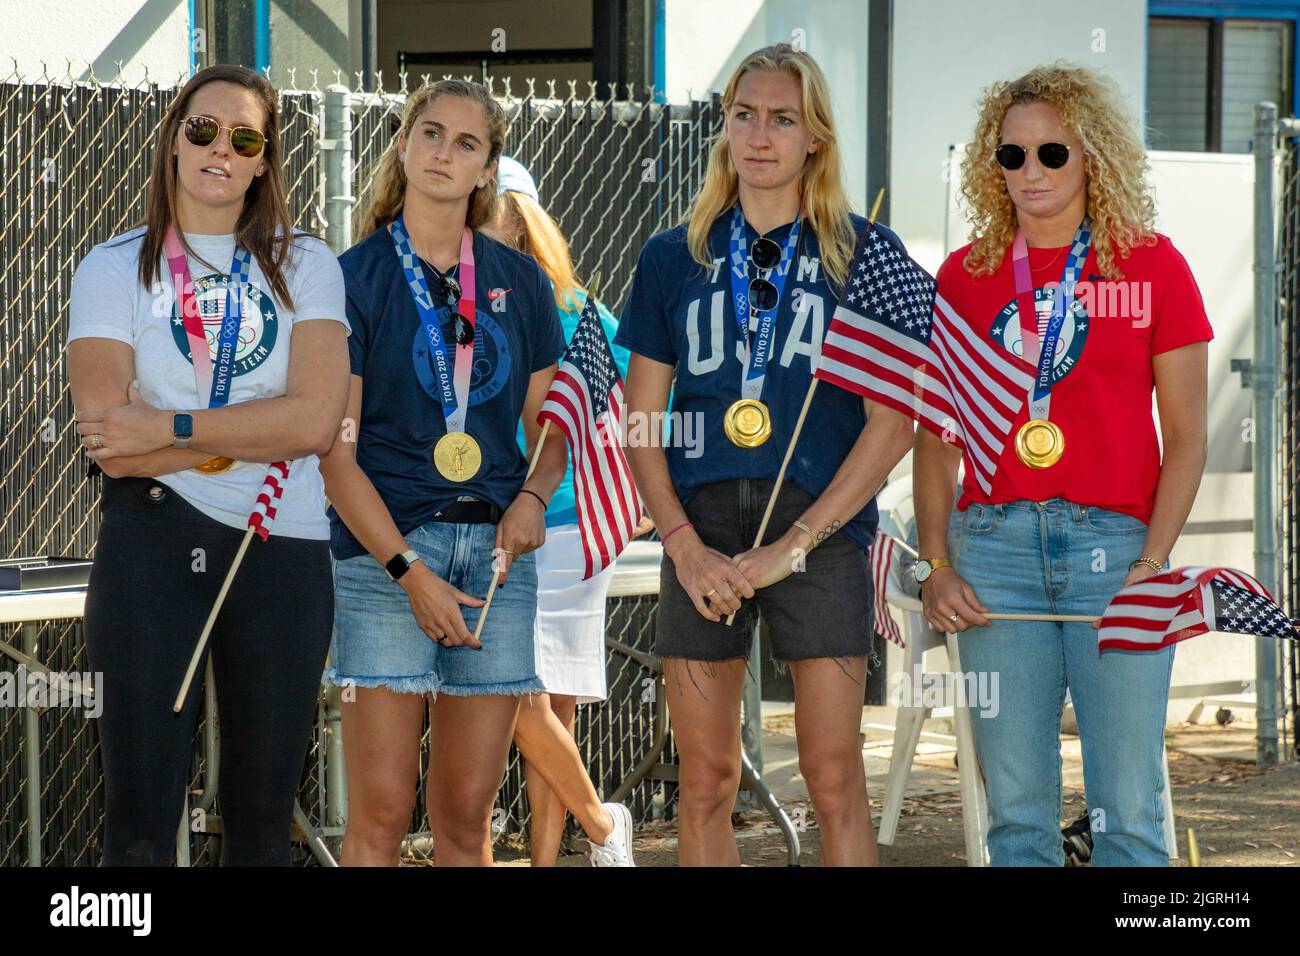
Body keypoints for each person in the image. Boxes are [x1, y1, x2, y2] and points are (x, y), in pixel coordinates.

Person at [615, 43, 915, 867]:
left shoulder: (864, 256)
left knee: (831, 773)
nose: (761, 135)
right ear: (724, 123)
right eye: (744, 114)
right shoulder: (673, 255)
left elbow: (894, 426)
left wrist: (797, 544)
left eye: (783, 118)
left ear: (814, 135)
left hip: (819, 534)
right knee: (704, 778)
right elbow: (642, 420)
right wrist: (679, 541)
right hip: (701, 530)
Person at [913, 63, 1212, 866]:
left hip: (1117, 554)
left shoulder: (1149, 266)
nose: (1031, 173)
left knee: (1129, 810)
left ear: (1093, 158)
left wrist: (1153, 562)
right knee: (1015, 817)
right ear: (992, 165)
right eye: (1012, 156)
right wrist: (936, 561)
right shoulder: (966, 278)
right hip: (993, 553)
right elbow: (937, 436)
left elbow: (1186, 435)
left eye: (1053, 153)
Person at [319, 79, 613, 868]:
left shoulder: (520, 283)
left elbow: (553, 427)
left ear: (489, 168)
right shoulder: (352, 277)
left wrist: (533, 498)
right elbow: (334, 455)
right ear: (405, 145)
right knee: (381, 818)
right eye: (430, 133)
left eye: (467, 143)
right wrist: (408, 570)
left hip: (497, 562)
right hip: (386, 559)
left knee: (466, 822)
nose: (444, 153)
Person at [67, 64, 351, 865]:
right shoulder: (113, 266)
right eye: (202, 130)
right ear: (172, 141)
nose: (219, 150)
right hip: (151, 539)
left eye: (244, 138)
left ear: (265, 160)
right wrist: (250, 432)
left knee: (262, 820)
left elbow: (316, 420)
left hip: (281, 542)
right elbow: (107, 440)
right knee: (140, 819)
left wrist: (173, 425)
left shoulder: (308, 265)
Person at [492, 155, 641, 866]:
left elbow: (648, 399)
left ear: (522, 221)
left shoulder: (579, 311)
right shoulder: (463, 297)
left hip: (567, 526)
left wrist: (639, 486)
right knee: (532, 701)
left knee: (535, 699)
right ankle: (602, 828)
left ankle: (568, 848)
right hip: (492, 521)